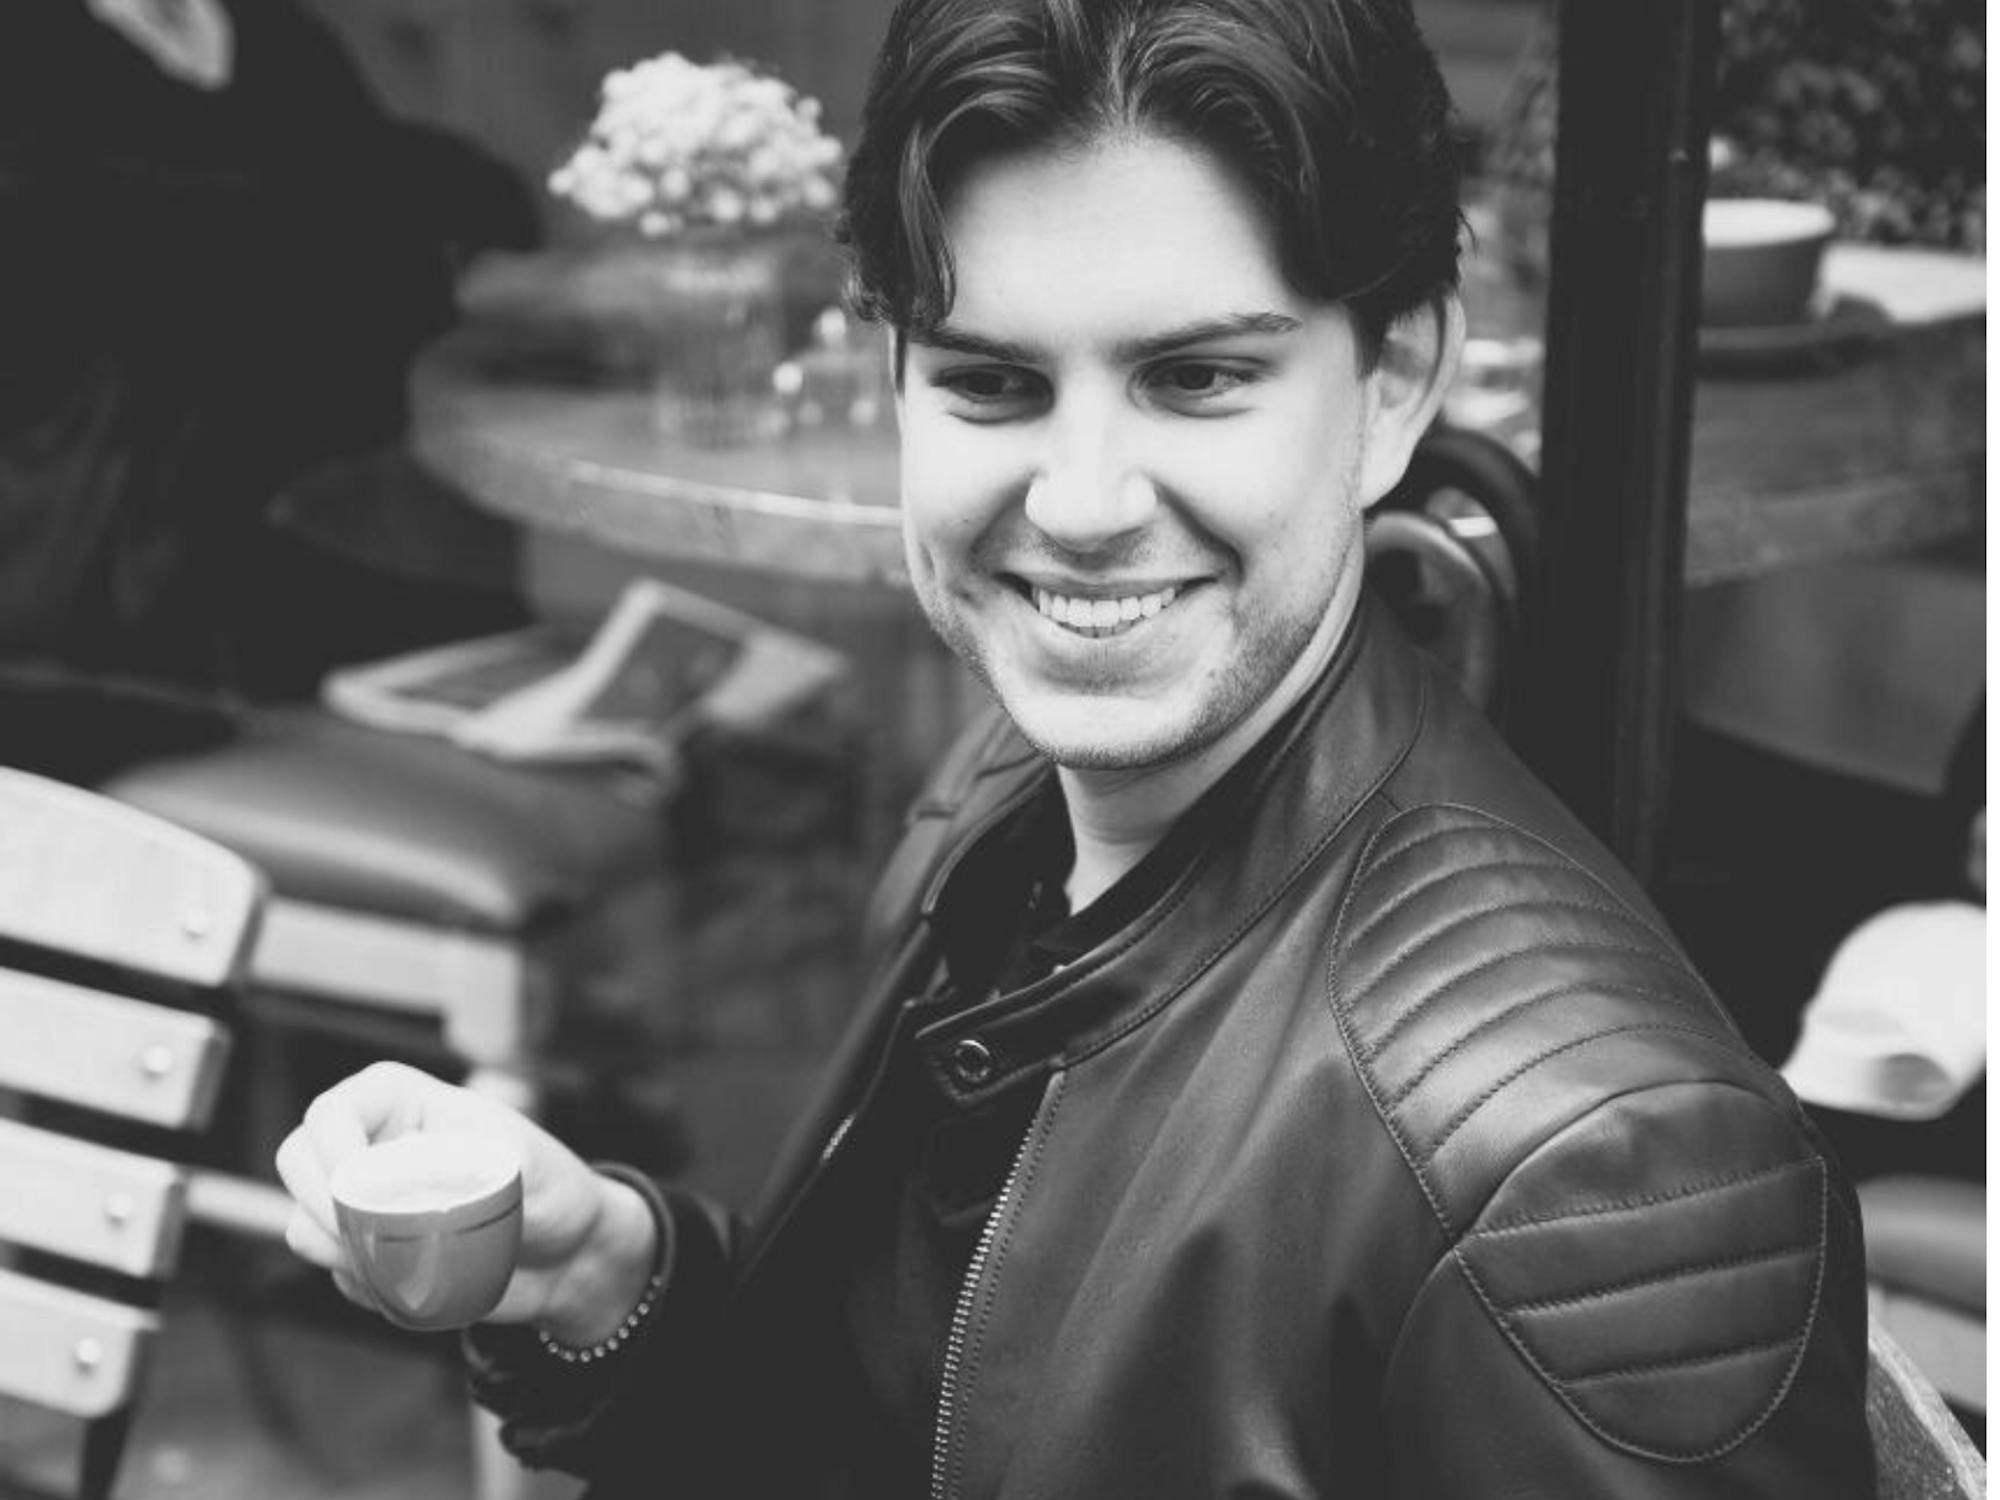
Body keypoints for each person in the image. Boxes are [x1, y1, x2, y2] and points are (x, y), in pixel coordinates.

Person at [275, 0, 1875, 1493]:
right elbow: (891, 1421)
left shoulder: (1598, 1176)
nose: (1083, 503)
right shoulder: (1015, 785)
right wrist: (604, 1272)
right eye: (991, 383)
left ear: (1393, 383)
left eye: (1198, 377)